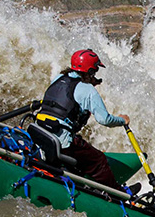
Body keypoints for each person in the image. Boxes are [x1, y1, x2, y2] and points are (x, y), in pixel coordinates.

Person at [32, 49, 127, 187]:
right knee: (99, 160)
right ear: (90, 71)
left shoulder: (58, 78)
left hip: (40, 130)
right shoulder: (87, 90)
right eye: (94, 71)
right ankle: (117, 194)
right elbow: (104, 119)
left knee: (80, 148)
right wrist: (122, 120)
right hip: (61, 141)